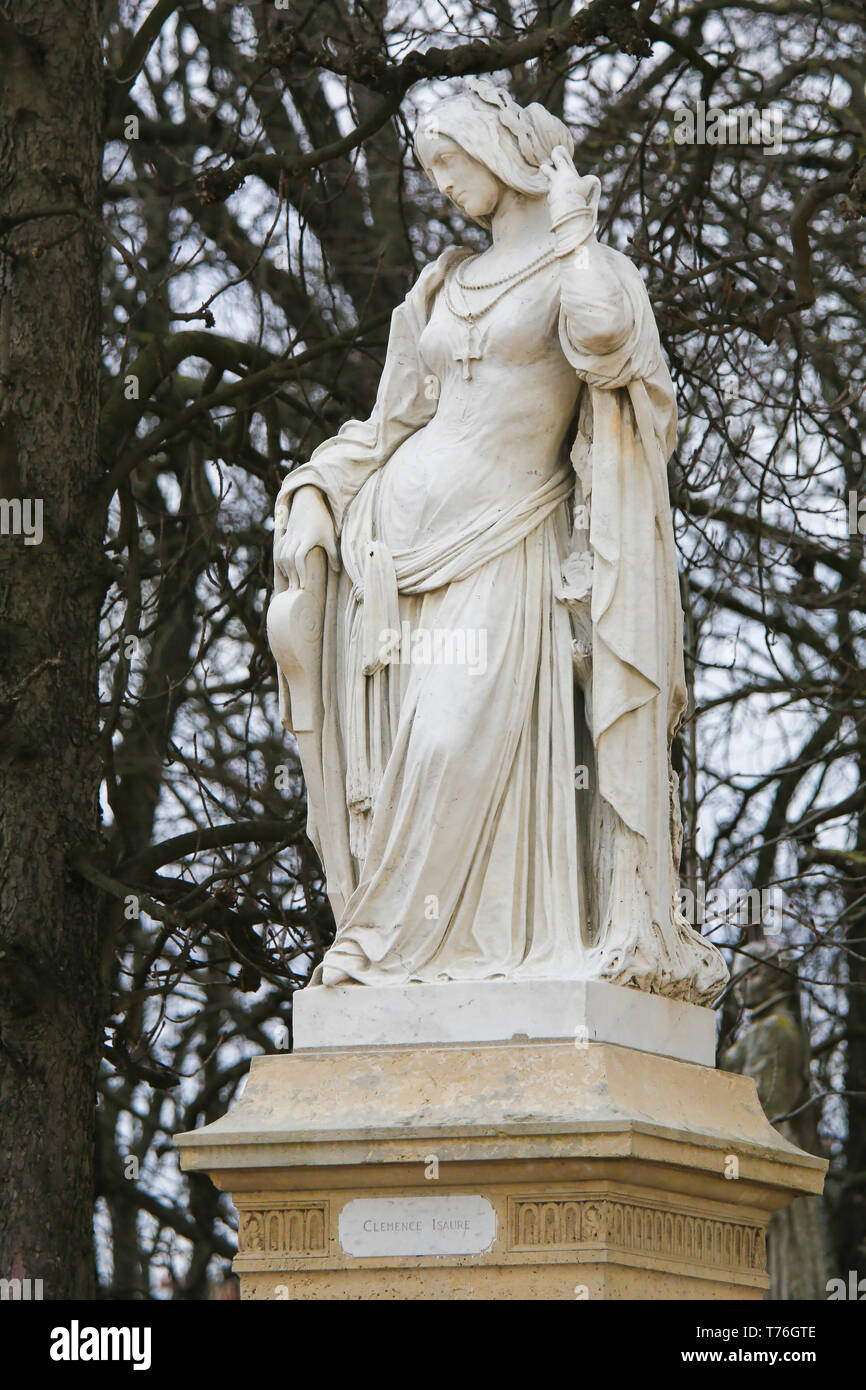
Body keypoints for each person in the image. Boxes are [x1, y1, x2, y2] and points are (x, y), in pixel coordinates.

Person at [272, 78, 727, 1002]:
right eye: (431, 167)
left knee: (448, 745)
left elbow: (606, 342)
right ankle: (422, 957)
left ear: (497, 153)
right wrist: (321, 490)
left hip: (503, 543)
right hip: (392, 565)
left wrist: (574, 230)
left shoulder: (580, 268)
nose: (441, 183)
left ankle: (384, 945)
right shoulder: (441, 284)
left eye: (450, 161)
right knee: (408, 771)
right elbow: (391, 421)